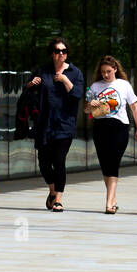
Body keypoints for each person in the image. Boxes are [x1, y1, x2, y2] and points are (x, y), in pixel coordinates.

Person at [26, 37, 84, 211]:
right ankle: (52, 191)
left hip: (64, 124)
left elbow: (77, 95)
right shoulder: (42, 71)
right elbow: (28, 91)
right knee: (43, 162)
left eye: (64, 51)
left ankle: (58, 198)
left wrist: (65, 80)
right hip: (44, 124)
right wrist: (31, 84)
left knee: (59, 160)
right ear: (52, 53)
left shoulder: (75, 72)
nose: (61, 54)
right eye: (57, 51)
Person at [85, 55, 137, 213]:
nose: (106, 75)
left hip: (119, 127)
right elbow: (86, 110)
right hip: (100, 127)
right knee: (105, 164)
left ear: (116, 69)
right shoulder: (95, 86)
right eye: (103, 72)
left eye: (109, 71)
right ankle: (113, 198)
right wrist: (90, 104)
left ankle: (109, 202)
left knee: (113, 162)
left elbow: (135, 107)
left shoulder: (123, 85)